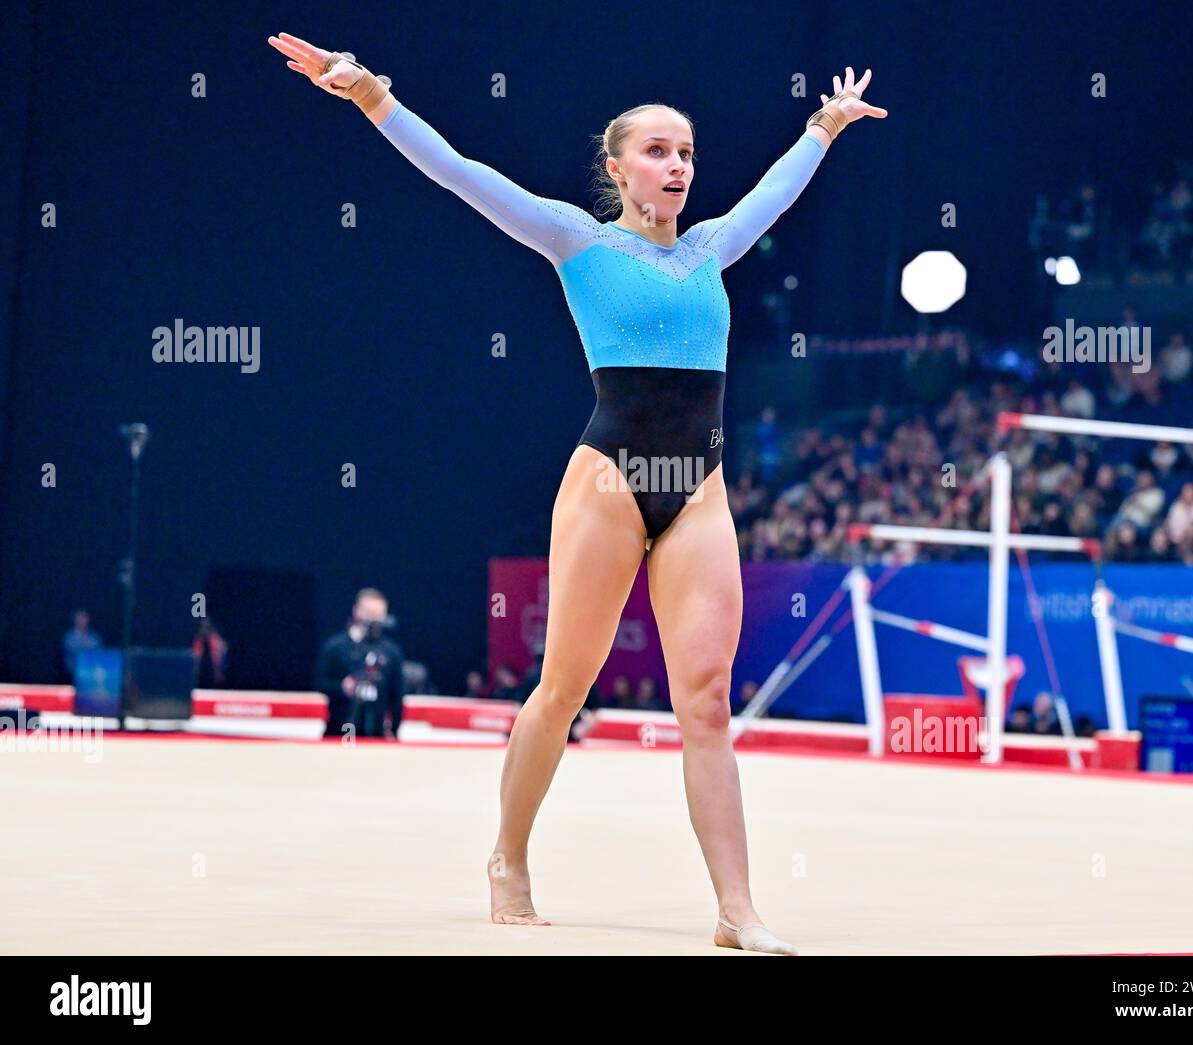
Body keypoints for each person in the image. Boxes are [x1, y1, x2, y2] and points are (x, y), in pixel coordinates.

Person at [270, 31, 887, 954]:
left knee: (708, 699)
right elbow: (461, 173)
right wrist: (371, 97)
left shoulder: (714, 249)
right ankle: (508, 855)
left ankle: (736, 908)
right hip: (606, 484)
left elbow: (777, 190)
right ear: (617, 166)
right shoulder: (576, 240)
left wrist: (824, 128)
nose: (676, 165)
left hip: (700, 491)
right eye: (657, 151)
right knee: (563, 686)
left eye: (686, 152)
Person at [314, 588, 406, 740]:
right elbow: (319, 683)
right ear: (356, 610)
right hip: (342, 728)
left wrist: (394, 730)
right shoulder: (336, 647)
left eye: (379, 615)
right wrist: (342, 687)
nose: (374, 620)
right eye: (370, 613)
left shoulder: (391, 652)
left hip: (376, 733)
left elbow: (397, 696)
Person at [62, 610, 102, 681]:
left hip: (91, 667)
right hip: (74, 667)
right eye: (80, 618)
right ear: (75, 620)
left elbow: (98, 649)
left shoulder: (93, 636)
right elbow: (71, 650)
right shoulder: (70, 636)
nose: (83, 620)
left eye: (85, 618)